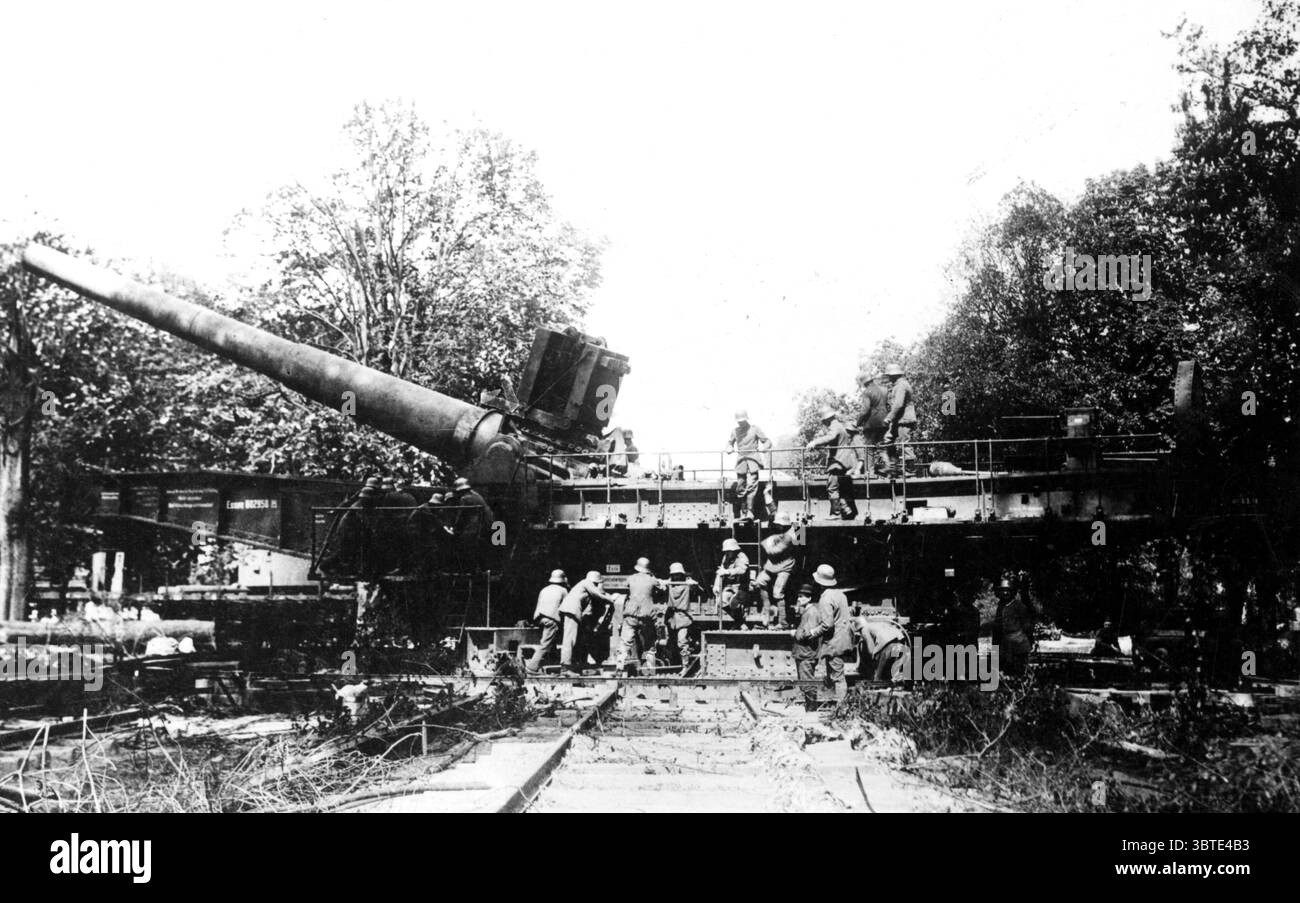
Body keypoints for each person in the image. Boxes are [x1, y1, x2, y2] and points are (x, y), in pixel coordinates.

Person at [559, 571, 622, 675]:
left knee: (572, 639)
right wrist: (611, 599)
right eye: (597, 583)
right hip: (572, 611)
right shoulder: (587, 583)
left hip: (572, 611)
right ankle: (565, 668)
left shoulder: (584, 585)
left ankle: (571, 665)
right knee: (569, 640)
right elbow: (597, 594)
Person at [806, 408, 860, 519]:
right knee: (841, 488)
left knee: (832, 487)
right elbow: (832, 441)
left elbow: (831, 437)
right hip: (843, 461)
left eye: (824, 421)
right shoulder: (840, 426)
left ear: (827, 420)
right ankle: (847, 509)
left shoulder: (834, 427)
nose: (824, 424)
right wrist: (818, 446)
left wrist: (814, 442)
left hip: (837, 461)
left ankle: (836, 513)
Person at [812, 564, 853, 700]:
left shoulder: (825, 598)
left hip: (833, 643)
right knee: (834, 674)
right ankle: (836, 705)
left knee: (838, 677)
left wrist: (812, 632)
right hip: (842, 639)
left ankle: (841, 710)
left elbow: (827, 625)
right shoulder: (841, 595)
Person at [754, 513, 800, 627]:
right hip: (772, 566)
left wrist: (765, 543)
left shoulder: (790, 535)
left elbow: (773, 551)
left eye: (779, 524)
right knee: (759, 582)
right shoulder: (780, 533)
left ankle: (782, 622)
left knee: (777, 593)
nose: (777, 526)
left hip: (785, 566)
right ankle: (766, 612)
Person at [620, 557, 664, 673]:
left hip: (631, 616)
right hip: (647, 617)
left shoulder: (630, 578)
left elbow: (624, 590)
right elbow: (662, 588)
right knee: (650, 645)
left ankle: (619, 669)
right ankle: (650, 671)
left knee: (625, 643)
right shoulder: (652, 579)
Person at [727, 410, 772, 521]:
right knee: (740, 486)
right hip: (741, 460)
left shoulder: (755, 429)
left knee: (752, 485)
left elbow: (768, 442)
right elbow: (729, 443)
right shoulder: (735, 431)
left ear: (746, 419)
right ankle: (743, 512)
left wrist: (763, 447)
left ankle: (750, 512)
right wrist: (729, 448)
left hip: (753, 459)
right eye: (739, 422)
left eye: (742, 421)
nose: (740, 423)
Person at [449, 477, 495, 571]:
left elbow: (461, 518)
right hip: (488, 526)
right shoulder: (476, 495)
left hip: (479, 529)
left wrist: (454, 530)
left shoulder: (465, 499)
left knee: (460, 544)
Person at [526, 570, 568, 674]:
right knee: (545, 644)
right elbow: (567, 606)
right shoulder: (563, 590)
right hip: (551, 620)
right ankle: (531, 667)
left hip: (539, 618)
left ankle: (550, 663)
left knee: (550, 642)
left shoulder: (544, 590)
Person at [994, 576, 1036, 676]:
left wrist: (1030, 641)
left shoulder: (1019, 606)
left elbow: (1027, 626)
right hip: (1005, 643)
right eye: (1003, 590)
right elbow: (998, 627)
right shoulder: (1000, 607)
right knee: (1005, 671)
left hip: (1018, 643)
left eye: (1008, 590)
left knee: (1018, 671)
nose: (1005, 593)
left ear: (1013, 592)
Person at [881, 364, 917, 478]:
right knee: (888, 439)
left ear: (894, 375)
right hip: (898, 420)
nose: (888, 378)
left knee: (904, 444)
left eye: (889, 376)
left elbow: (898, 404)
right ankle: (894, 467)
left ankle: (910, 471)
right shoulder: (898, 385)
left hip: (904, 420)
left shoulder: (901, 385)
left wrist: (888, 418)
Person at [792, 583, 823, 709]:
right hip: (804, 653)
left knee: (808, 683)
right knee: (805, 683)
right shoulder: (809, 611)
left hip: (806, 654)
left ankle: (811, 710)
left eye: (801, 597)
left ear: (809, 598)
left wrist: (795, 633)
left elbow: (807, 634)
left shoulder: (812, 613)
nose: (798, 599)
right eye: (798, 596)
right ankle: (810, 708)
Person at [855, 615, 911, 682]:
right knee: (896, 676)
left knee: (878, 677)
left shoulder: (864, 629)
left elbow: (871, 650)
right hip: (902, 644)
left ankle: (878, 682)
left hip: (888, 646)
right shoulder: (878, 624)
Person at [856, 370, 890, 476]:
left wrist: (858, 422)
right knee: (883, 447)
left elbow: (865, 410)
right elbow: (889, 405)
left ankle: (869, 473)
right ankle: (889, 468)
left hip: (871, 424)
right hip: (884, 422)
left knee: (869, 448)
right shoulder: (884, 389)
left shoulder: (867, 392)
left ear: (864, 383)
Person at [664, 562, 697, 666]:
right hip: (671, 618)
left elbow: (698, 589)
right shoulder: (669, 584)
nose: (676, 576)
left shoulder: (687, 584)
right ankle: (674, 664)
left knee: (682, 641)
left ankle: (685, 665)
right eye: (674, 575)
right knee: (670, 643)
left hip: (683, 618)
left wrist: (693, 584)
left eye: (678, 574)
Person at [713, 538, 751, 627]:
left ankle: (739, 623)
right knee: (720, 601)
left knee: (734, 603)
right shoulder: (725, 557)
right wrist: (716, 585)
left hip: (742, 587)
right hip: (730, 586)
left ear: (734, 550)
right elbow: (721, 571)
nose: (726, 553)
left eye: (728, 551)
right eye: (725, 551)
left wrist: (728, 572)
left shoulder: (742, 557)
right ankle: (740, 621)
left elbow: (742, 570)